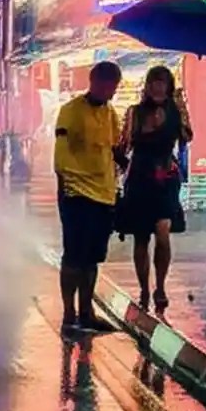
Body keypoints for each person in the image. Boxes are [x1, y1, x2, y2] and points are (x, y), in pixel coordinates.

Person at [54, 61, 124, 335]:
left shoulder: (110, 114)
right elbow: (61, 154)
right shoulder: (71, 111)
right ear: (94, 82)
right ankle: (69, 313)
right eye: (108, 86)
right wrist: (66, 183)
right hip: (76, 193)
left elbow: (115, 148)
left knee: (92, 258)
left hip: (104, 194)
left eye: (114, 87)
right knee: (74, 255)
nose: (111, 92)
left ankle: (87, 312)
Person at [116, 66, 193, 309]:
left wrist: (181, 107)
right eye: (153, 82)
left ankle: (160, 285)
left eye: (162, 82)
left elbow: (187, 136)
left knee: (163, 230)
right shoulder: (134, 113)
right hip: (140, 174)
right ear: (147, 86)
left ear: (168, 86)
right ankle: (144, 288)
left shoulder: (175, 111)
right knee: (141, 236)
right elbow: (123, 146)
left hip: (166, 175)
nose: (157, 87)